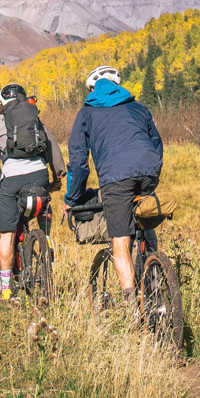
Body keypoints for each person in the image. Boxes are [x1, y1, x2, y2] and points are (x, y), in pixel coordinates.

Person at [64, 65, 163, 304]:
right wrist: (151, 168)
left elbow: (78, 163)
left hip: (115, 176)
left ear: (92, 89)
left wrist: (72, 199)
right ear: (118, 85)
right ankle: (154, 277)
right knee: (143, 219)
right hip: (149, 168)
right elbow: (156, 143)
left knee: (120, 240)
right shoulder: (139, 107)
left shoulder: (86, 113)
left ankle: (132, 307)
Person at [0, 83, 65, 304]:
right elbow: (52, 147)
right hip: (39, 175)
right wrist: (57, 178)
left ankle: (7, 290)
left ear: (2, 104)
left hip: (12, 180)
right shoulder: (35, 120)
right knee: (45, 201)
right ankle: (45, 238)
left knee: (7, 234)